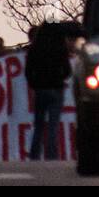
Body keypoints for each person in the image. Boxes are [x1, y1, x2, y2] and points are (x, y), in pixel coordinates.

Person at [24, 23, 71, 160]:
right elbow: (68, 71)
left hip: (40, 90)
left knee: (38, 126)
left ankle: (34, 155)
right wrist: (59, 79)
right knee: (53, 126)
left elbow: (28, 72)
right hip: (56, 90)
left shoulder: (34, 49)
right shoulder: (61, 49)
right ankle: (52, 156)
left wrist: (35, 84)